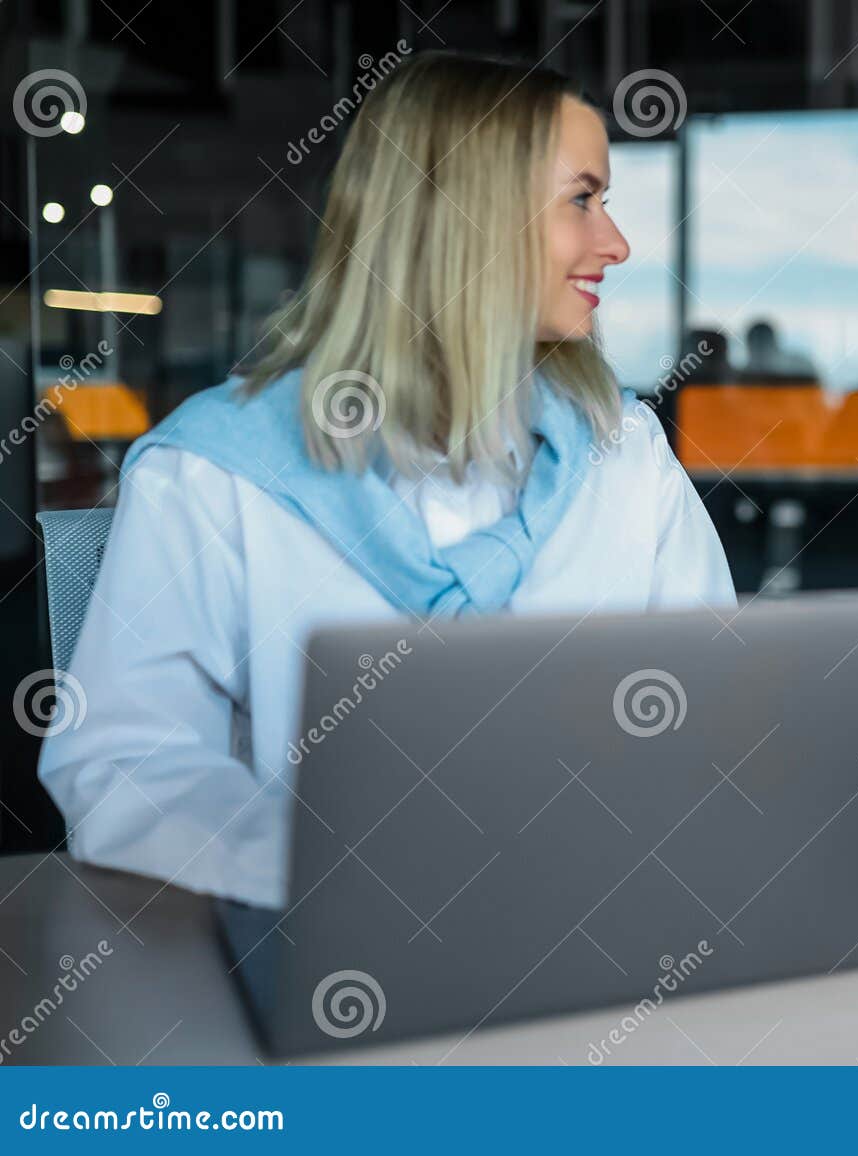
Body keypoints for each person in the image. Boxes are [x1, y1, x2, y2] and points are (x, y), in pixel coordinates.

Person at [39, 52, 734, 907]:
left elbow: (716, 715)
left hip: (601, 935)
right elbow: (124, 765)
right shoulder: (213, 473)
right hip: (330, 960)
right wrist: (345, 871)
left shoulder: (621, 452)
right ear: (466, 215)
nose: (616, 244)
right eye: (582, 200)